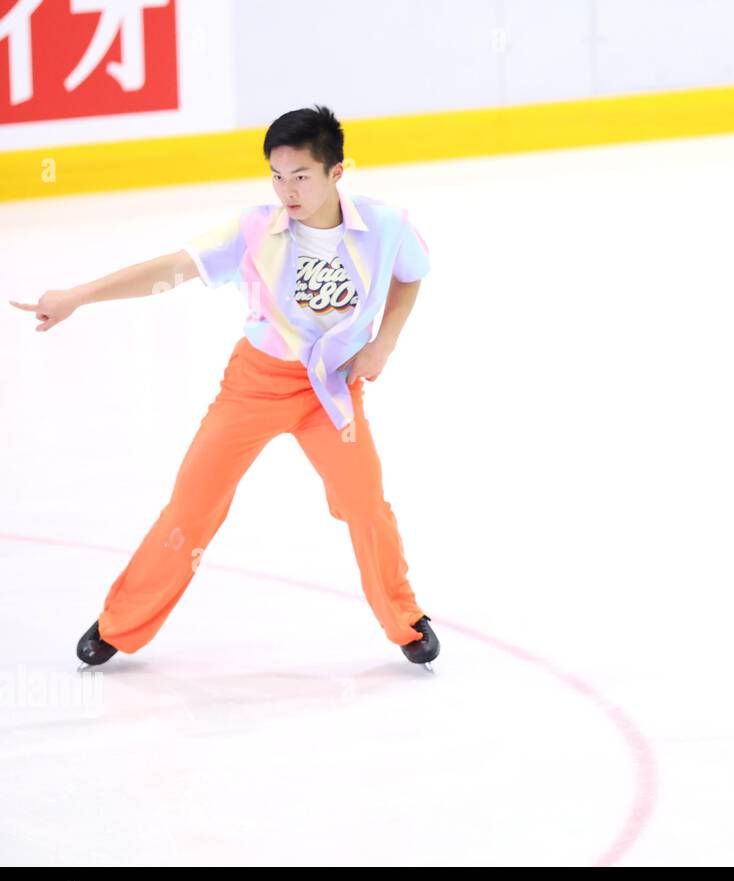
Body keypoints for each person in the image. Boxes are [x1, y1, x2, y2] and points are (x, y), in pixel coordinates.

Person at [10, 105, 440, 670]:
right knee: (192, 506)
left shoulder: (386, 226)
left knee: (365, 506)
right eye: (277, 175)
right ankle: (120, 623)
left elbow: (410, 276)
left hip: (329, 391)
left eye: (301, 176)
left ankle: (404, 619)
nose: (286, 189)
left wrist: (384, 342)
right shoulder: (254, 229)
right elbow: (171, 268)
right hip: (254, 386)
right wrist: (78, 296)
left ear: (338, 173)